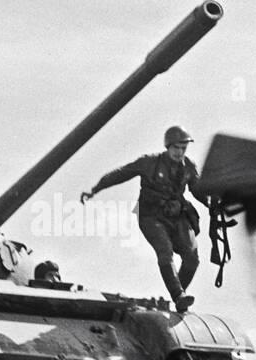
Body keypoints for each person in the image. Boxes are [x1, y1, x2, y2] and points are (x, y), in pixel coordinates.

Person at [80, 126, 210, 312]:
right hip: (150, 215)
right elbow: (121, 173)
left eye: (183, 148)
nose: (179, 152)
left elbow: (198, 190)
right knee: (164, 251)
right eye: (176, 148)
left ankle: (177, 296)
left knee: (192, 258)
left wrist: (213, 204)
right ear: (168, 146)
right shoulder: (149, 163)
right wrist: (95, 189)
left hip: (176, 214)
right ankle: (179, 295)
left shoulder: (188, 167)